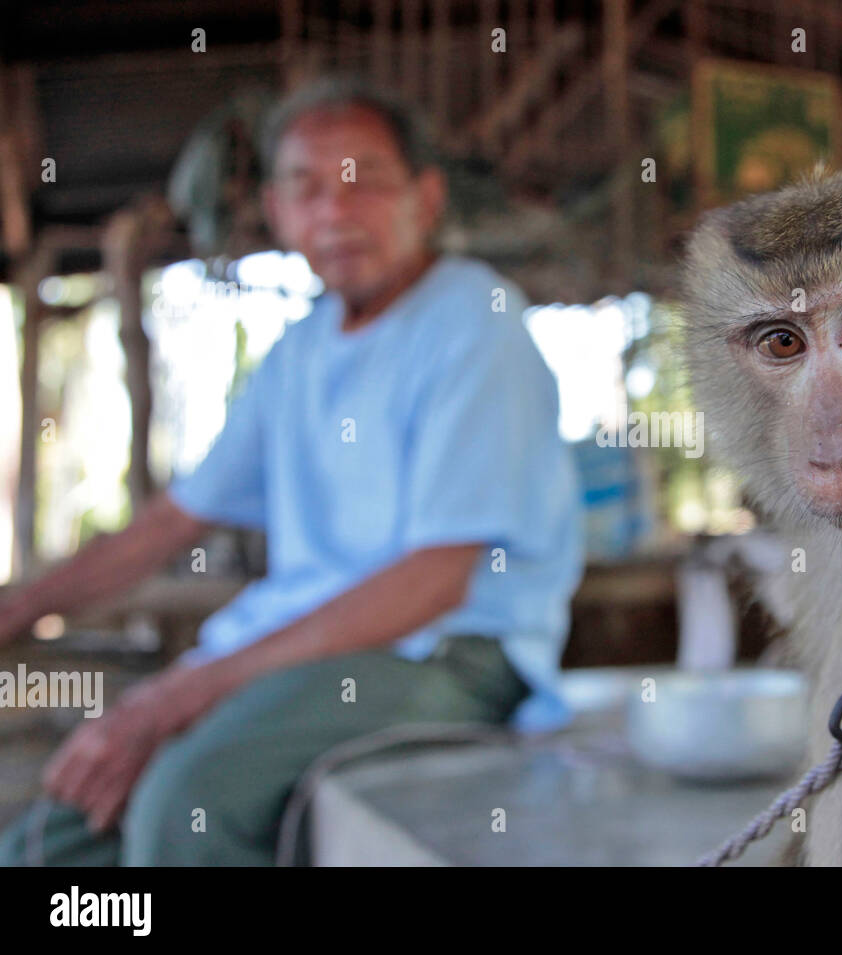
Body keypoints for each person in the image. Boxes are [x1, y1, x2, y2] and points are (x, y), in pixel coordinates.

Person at [0, 75, 584, 865]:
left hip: (453, 651)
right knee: (53, 839)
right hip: (308, 647)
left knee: (189, 802)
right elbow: (176, 520)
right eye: (307, 187)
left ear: (428, 196)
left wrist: (184, 691)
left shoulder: (473, 320)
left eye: (366, 181)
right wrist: (19, 607)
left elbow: (435, 581)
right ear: (277, 212)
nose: (336, 211)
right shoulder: (296, 355)